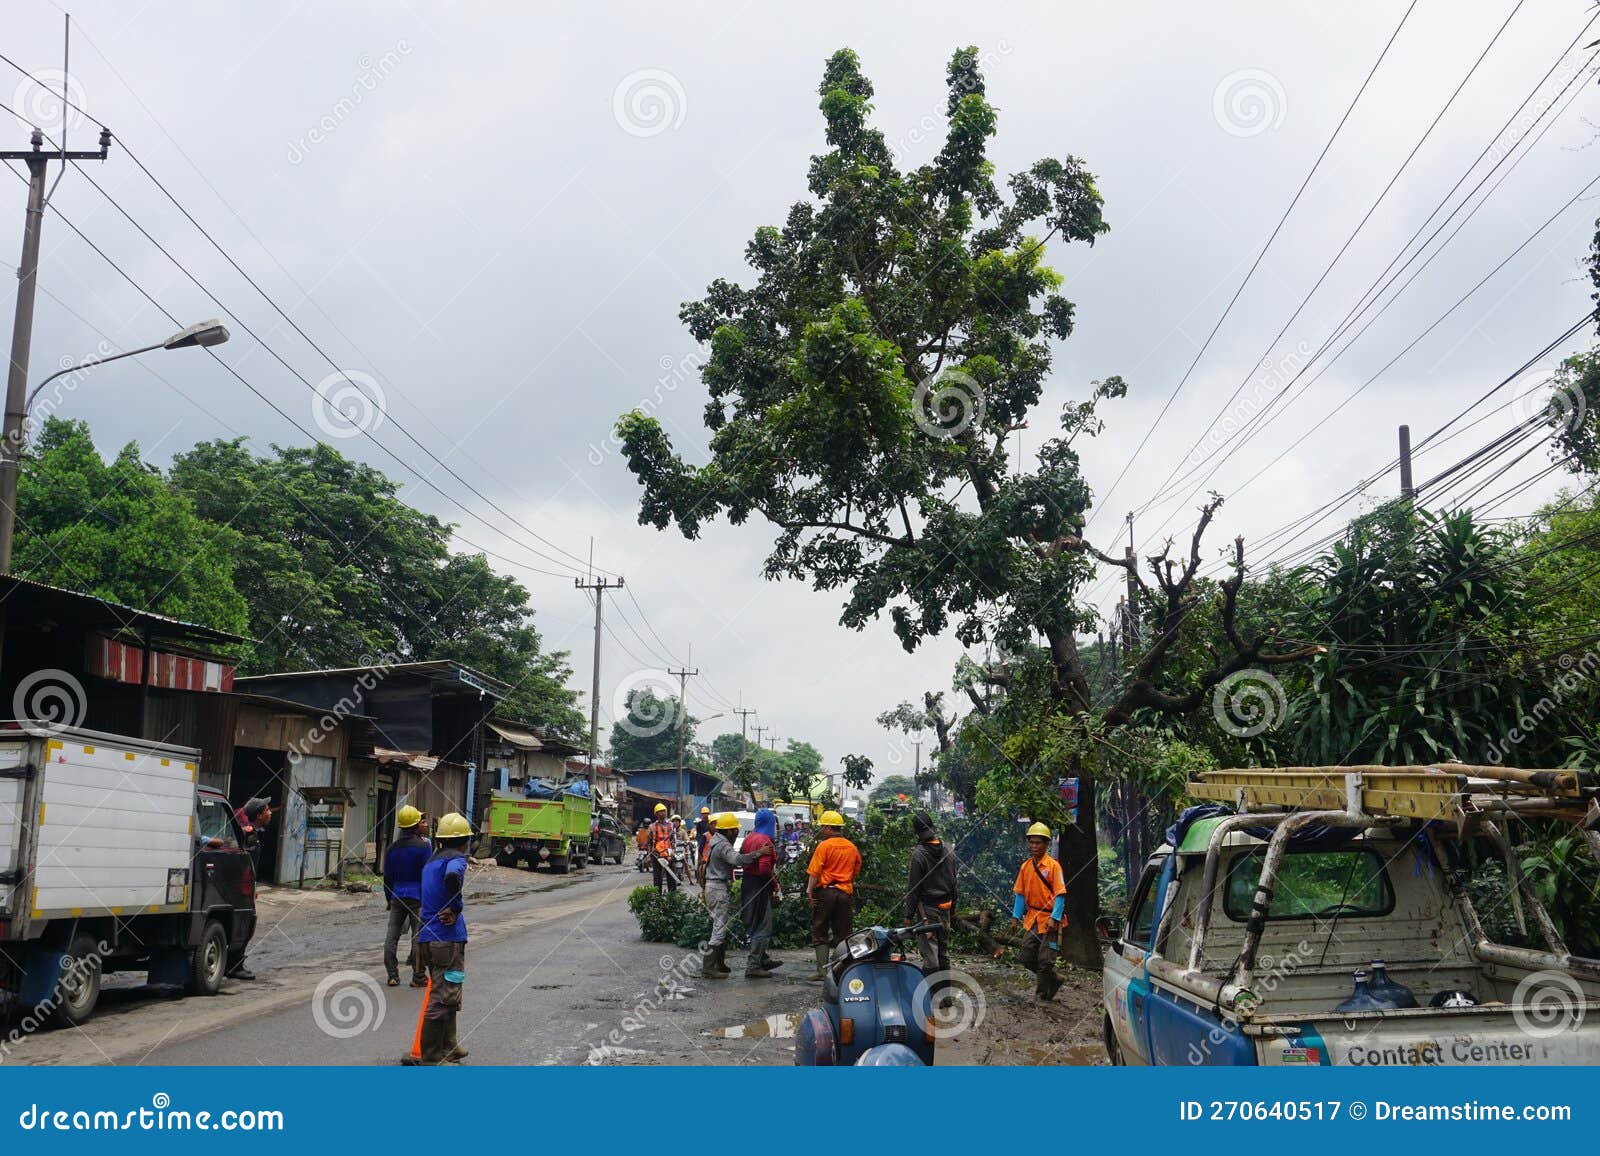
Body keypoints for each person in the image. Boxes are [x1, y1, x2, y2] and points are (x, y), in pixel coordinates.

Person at [402, 811, 473, 1065]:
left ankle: (449, 1045)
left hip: (429, 938)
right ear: (464, 840)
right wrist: (456, 906)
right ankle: (431, 1056)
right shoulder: (457, 860)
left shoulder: (432, 861)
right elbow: (453, 877)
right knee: (443, 996)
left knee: (450, 990)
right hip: (446, 940)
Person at [699, 812, 775, 979]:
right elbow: (738, 860)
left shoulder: (716, 840)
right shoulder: (723, 845)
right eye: (735, 830)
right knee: (719, 929)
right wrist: (759, 853)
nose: (737, 833)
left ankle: (719, 963)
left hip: (712, 887)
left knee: (718, 927)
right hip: (718, 888)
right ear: (729, 831)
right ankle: (708, 967)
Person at [1010, 821, 1067, 1001]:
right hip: (1032, 917)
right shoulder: (1026, 867)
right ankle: (1054, 978)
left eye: (1038, 843)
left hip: (1050, 919)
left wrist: (1054, 917)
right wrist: (1015, 917)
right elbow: (1019, 894)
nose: (1034, 846)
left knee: (1045, 960)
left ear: (1046, 844)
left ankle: (1042, 996)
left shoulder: (1053, 866)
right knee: (1025, 955)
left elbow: (1060, 894)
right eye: (1031, 842)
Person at [805, 810, 861, 981]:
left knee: (820, 928)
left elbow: (815, 871)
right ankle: (842, 971)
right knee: (843, 932)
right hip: (845, 893)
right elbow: (856, 871)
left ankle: (822, 972)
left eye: (823, 827)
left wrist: (809, 890)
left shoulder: (824, 846)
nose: (822, 830)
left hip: (826, 893)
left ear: (829, 827)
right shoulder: (852, 847)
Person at [383, 805, 430, 988]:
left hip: (397, 896)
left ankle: (392, 976)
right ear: (416, 824)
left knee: (392, 936)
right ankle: (418, 977)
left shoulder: (392, 849)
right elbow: (427, 874)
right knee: (417, 936)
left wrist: (389, 899)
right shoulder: (423, 847)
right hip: (417, 897)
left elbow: (387, 877)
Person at [906, 811, 958, 980]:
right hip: (946, 908)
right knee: (943, 954)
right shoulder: (949, 850)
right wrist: (953, 910)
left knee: (930, 957)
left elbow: (914, 888)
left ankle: (930, 995)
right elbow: (954, 883)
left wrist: (908, 915)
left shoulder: (919, 854)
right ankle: (945, 997)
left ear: (915, 831)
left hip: (927, 911)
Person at [738, 807, 782, 978]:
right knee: (763, 925)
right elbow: (764, 868)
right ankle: (753, 965)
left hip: (748, 883)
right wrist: (775, 883)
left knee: (754, 921)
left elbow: (742, 857)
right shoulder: (765, 841)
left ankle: (763, 959)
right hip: (760, 885)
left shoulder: (749, 838)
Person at [648, 804, 678, 894]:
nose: (663, 813)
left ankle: (672, 896)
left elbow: (674, 840)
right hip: (656, 854)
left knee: (671, 876)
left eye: (664, 811)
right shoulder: (652, 826)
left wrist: (673, 851)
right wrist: (649, 856)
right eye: (661, 811)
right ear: (656, 814)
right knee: (657, 878)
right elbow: (649, 843)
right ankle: (658, 897)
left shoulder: (671, 825)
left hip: (669, 854)